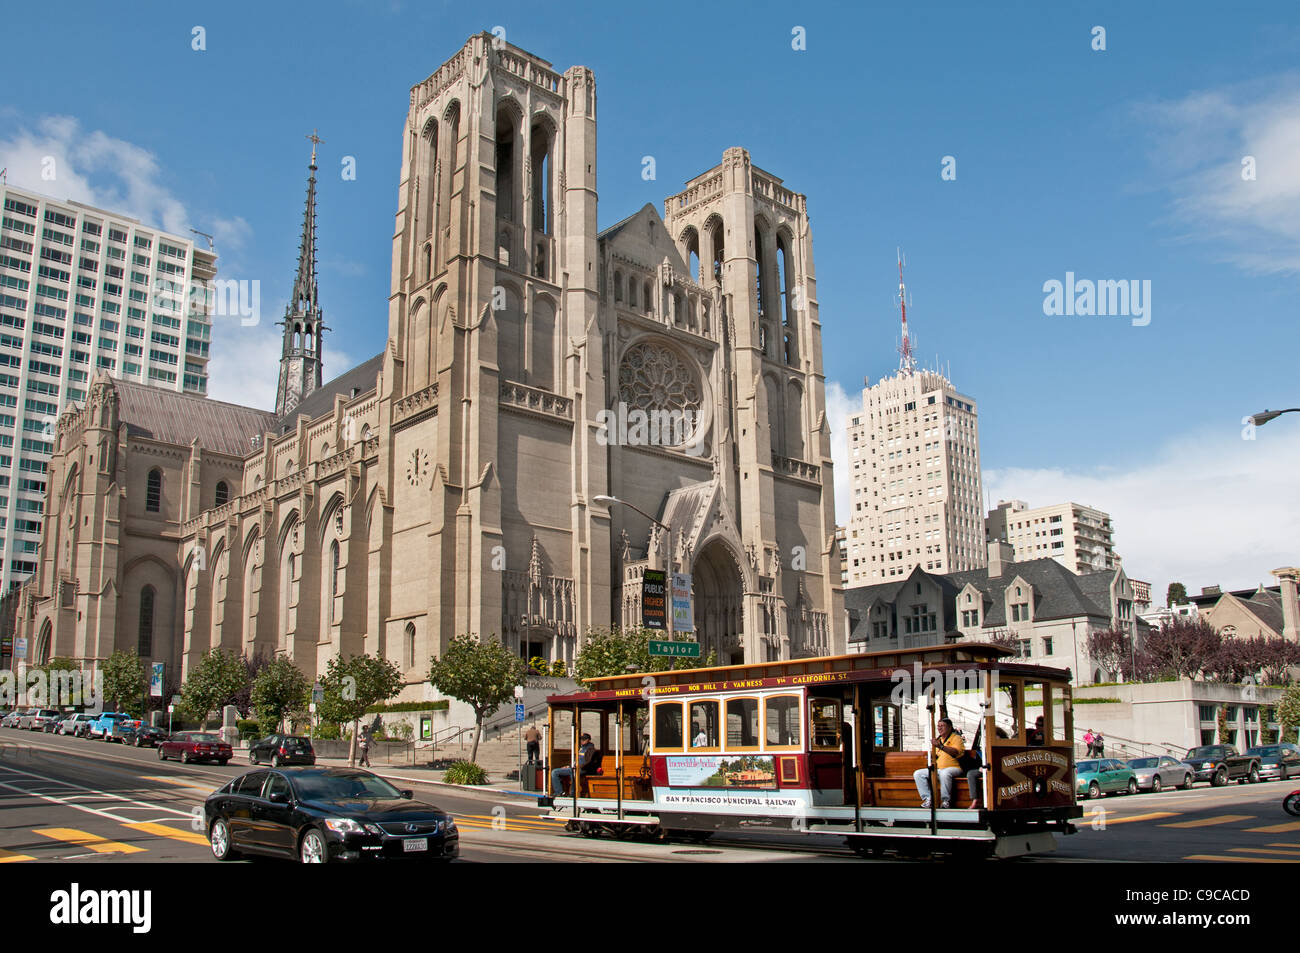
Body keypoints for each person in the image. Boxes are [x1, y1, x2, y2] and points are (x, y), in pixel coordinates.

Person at [913, 717, 966, 809]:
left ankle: (946, 801)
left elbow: (955, 752)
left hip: (954, 768)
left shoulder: (956, 738)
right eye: (938, 726)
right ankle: (928, 799)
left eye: (942, 726)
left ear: (949, 727)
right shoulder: (939, 739)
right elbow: (937, 755)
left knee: (945, 773)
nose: (939, 728)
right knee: (918, 774)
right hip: (939, 769)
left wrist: (940, 746)